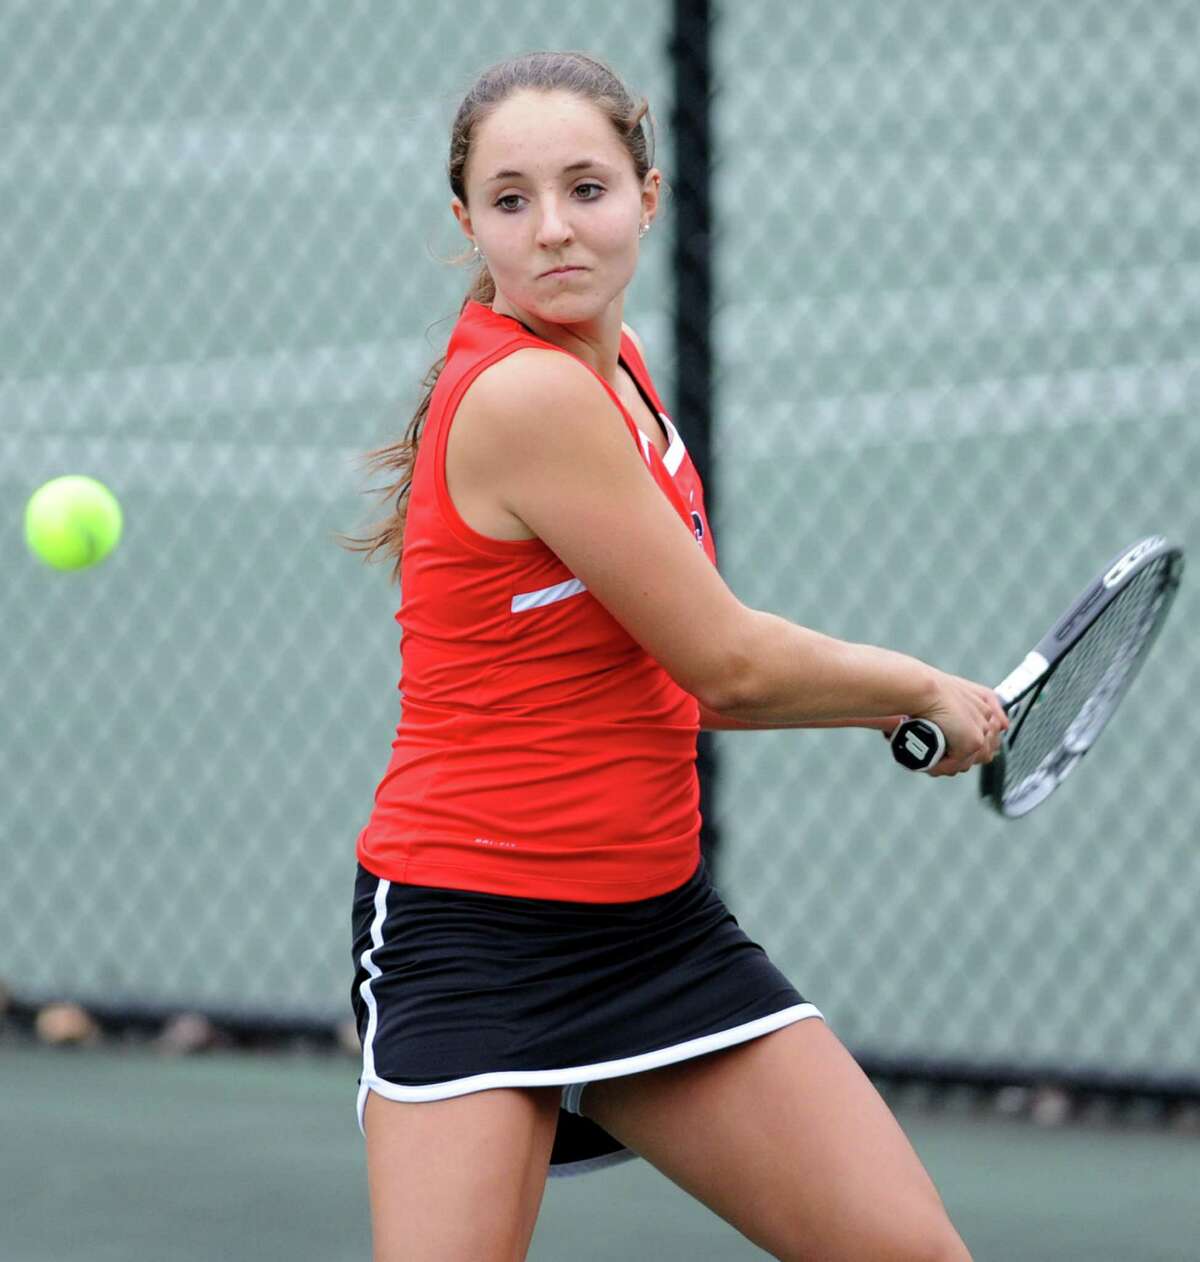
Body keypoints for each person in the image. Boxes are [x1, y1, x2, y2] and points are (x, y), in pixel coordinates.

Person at [341, 50, 1006, 1262]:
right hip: (473, 934)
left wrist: (872, 708)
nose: (553, 227)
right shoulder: (528, 396)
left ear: (648, 197)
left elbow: (679, 676)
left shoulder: (621, 373)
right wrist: (914, 687)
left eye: (587, 188)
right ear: (467, 223)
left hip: (653, 930)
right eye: (511, 199)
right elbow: (727, 664)